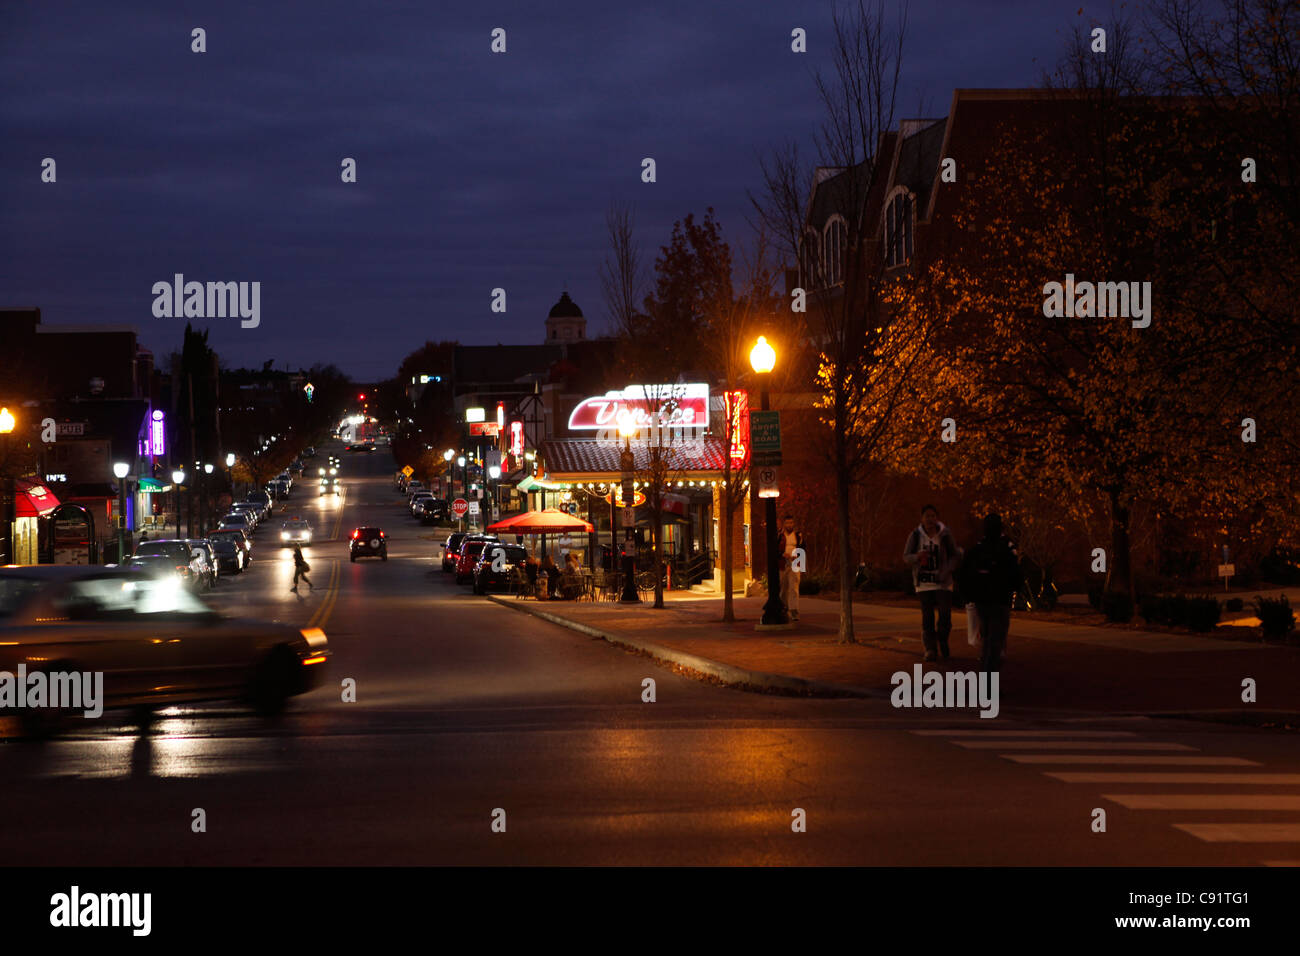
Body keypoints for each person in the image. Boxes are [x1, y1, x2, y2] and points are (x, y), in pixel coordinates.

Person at [954, 512, 1020, 673]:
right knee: (995, 641)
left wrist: (968, 596)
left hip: (982, 601)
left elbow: (963, 574)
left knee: (988, 639)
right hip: (1000, 600)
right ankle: (989, 680)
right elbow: (1016, 574)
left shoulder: (977, 550)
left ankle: (986, 675)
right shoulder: (1005, 550)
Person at [903, 504, 962, 661]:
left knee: (945, 616)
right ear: (922, 518)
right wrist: (917, 556)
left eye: (933, 516)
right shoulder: (915, 535)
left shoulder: (944, 535)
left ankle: (942, 640)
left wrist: (946, 571)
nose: (930, 519)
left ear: (937, 518)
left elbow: (955, 556)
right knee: (927, 617)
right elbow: (906, 556)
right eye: (927, 516)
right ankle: (930, 649)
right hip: (923, 583)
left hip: (943, 582)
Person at [778, 516, 804, 621]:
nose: (790, 525)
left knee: (794, 588)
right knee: (783, 589)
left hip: (795, 563)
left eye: (791, 523)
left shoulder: (798, 536)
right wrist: (783, 554)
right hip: (783, 564)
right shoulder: (780, 536)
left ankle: (794, 611)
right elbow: (775, 550)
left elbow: (802, 548)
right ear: (784, 524)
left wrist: (797, 556)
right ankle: (784, 609)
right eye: (787, 523)